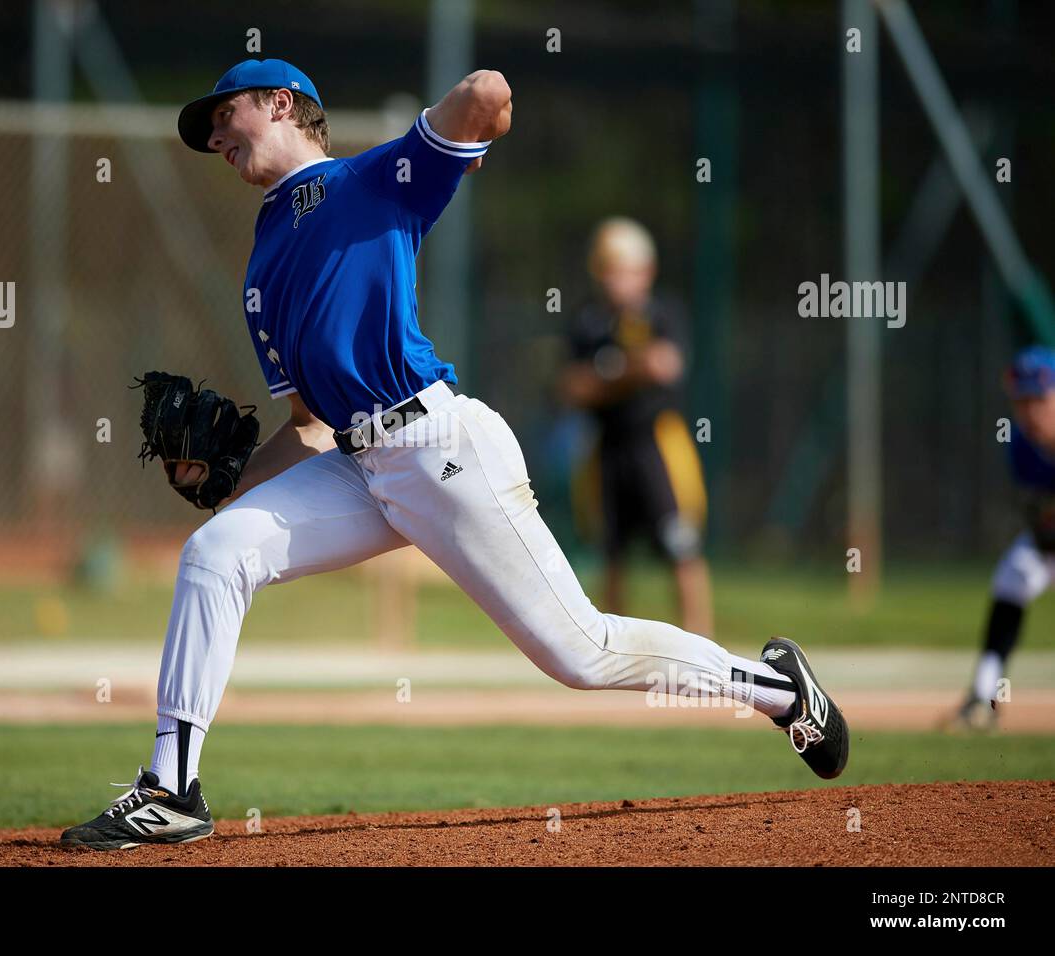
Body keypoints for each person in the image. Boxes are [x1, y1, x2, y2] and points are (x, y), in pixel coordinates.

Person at [61, 59, 848, 851]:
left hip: (438, 445)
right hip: (360, 465)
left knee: (582, 653)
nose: (214, 137)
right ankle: (172, 788)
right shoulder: (262, 262)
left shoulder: (375, 180)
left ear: (279, 103)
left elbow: (489, 94)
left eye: (222, 116)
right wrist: (229, 482)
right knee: (216, 551)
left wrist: (474, 116)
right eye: (205, 135)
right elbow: (307, 423)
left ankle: (780, 692)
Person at [559, 218, 713, 635]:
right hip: (606, 447)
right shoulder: (588, 322)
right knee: (610, 553)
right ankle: (617, 651)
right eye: (608, 268)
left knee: (681, 545)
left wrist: (609, 375)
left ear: (645, 271)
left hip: (656, 444)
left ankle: (702, 645)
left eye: (624, 268)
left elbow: (665, 365)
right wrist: (631, 370)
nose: (615, 280)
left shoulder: (662, 313)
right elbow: (573, 387)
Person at [946, 345, 1055, 733]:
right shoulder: (1021, 446)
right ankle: (982, 697)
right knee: (1012, 578)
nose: (1030, 410)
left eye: (1038, 399)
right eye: (1022, 400)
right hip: (1049, 543)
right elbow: (1037, 510)